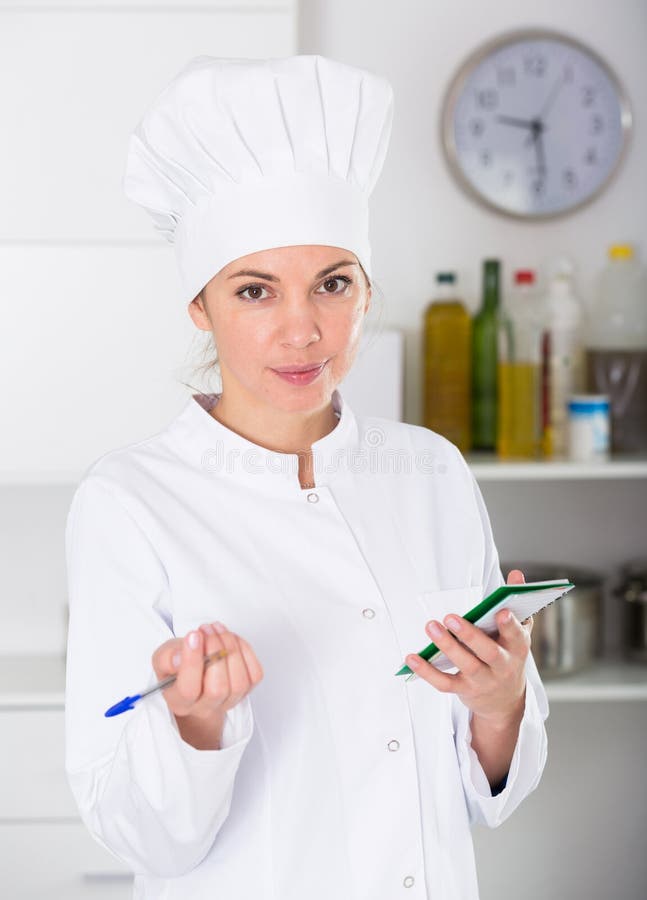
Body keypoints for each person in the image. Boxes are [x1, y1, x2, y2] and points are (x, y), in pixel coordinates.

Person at [64, 54, 549, 900]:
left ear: (366, 293)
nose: (302, 331)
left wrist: (501, 702)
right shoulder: (132, 501)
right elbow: (136, 833)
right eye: (255, 292)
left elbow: (488, 798)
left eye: (332, 284)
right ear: (201, 309)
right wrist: (198, 723)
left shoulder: (428, 469)